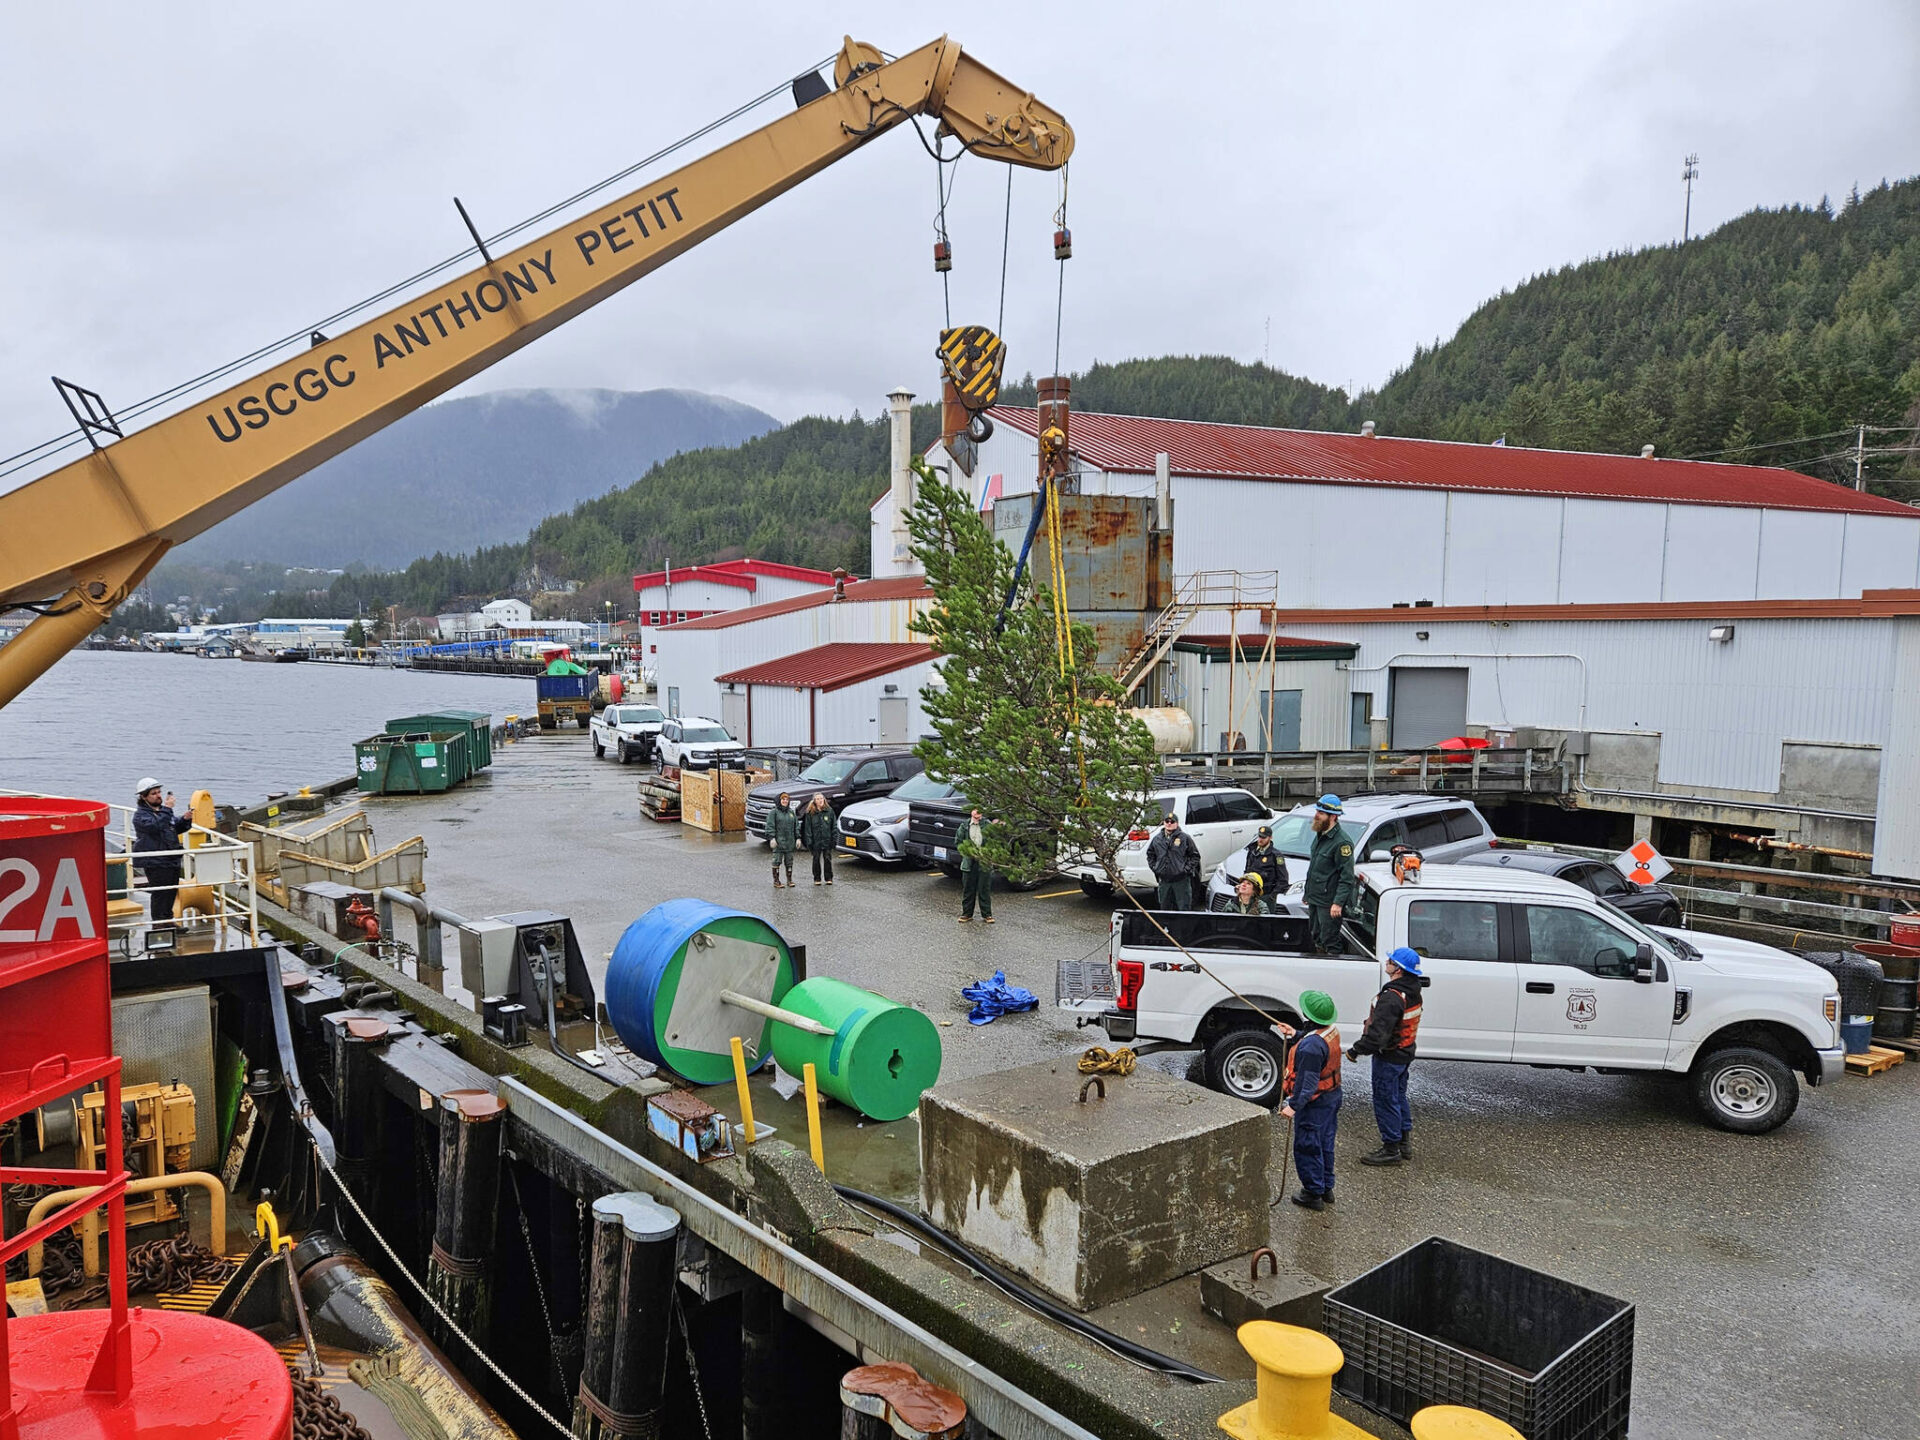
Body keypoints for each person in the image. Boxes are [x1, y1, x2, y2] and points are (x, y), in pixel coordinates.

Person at [1350, 947, 1426, 1166]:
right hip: (1404, 1054)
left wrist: (1356, 1050)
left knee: (1385, 1099)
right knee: (1398, 1097)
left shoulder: (1392, 997)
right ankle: (1404, 1143)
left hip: (1389, 1057)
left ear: (1398, 970)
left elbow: (1378, 1035)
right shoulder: (1412, 991)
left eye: (1391, 960)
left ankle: (1391, 1148)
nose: (1387, 962)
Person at [1275, 989, 1343, 1210]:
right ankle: (1326, 1188)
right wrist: (1294, 1033)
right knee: (1325, 1142)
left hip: (1314, 1103)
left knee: (1307, 1146)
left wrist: (1293, 1106)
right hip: (1331, 1096)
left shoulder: (1311, 1047)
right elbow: (1314, 1041)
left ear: (1308, 1014)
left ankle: (1312, 1193)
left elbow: (1307, 1083)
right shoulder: (1329, 1031)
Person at [132, 778, 191, 926]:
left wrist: (185, 819)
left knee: (171, 892)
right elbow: (155, 827)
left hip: (171, 858)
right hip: (156, 861)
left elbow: (174, 826)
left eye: (159, 792)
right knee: (160, 894)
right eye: (154, 793)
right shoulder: (140, 816)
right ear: (144, 796)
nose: (158, 795)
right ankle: (159, 924)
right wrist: (168, 809)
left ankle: (168, 921)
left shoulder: (163, 813)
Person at [1301, 794, 1355, 954]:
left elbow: (1346, 877)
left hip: (1328, 902)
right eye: (1317, 811)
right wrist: (1307, 894)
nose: (1316, 815)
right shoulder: (1321, 835)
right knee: (1315, 935)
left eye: (1321, 813)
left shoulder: (1341, 843)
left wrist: (1338, 903)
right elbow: (1314, 869)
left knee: (1329, 939)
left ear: (1333, 817)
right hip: (1316, 898)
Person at [1146, 812, 1201, 911]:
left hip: (1181, 881)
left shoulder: (1185, 838)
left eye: (1172, 821)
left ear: (1177, 823)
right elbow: (1150, 854)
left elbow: (1195, 856)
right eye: (1167, 821)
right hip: (1164, 881)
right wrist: (1156, 868)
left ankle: (1183, 926)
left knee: (1183, 909)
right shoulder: (1157, 839)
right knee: (1165, 909)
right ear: (1164, 823)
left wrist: (1185, 870)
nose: (1169, 823)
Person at [957, 808, 994, 923]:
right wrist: (967, 853)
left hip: (984, 860)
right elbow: (958, 842)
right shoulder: (964, 825)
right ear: (971, 812)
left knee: (984, 888)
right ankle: (967, 914)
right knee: (968, 888)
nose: (977, 814)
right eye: (975, 811)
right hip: (969, 861)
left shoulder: (987, 825)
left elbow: (995, 842)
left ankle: (987, 914)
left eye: (979, 811)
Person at [1242, 825, 1289, 900]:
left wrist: (1272, 896)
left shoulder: (1276, 856)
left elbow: (1283, 880)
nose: (1260, 840)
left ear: (1270, 838)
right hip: (1251, 894)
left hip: (1266, 895)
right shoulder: (1252, 851)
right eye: (1259, 836)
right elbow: (1247, 871)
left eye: (1264, 838)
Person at [801, 793, 837, 886]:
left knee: (827, 858)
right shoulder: (810, 813)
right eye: (817, 799)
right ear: (814, 801)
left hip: (827, 839)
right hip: (815, 840)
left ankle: (829, 878)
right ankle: (817, 878)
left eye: (821, 798)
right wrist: (809, 841)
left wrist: (834, 839)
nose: (820, 800)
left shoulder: (829, 811)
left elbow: (834, 826)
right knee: (816, 859)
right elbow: (808, 828)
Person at [767, 792, 799, 888]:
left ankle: (789, 880)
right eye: (783, 799)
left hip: (789, 842)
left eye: (787, 799)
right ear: (779, 801)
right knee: (776, 861)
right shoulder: (774, 812)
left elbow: (796, 826)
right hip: (778, 842)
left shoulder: (791, 813)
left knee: (789, 861)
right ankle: (776, 881)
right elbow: (770, 825)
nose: (785, 801)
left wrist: (798, 838)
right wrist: (772, 838)